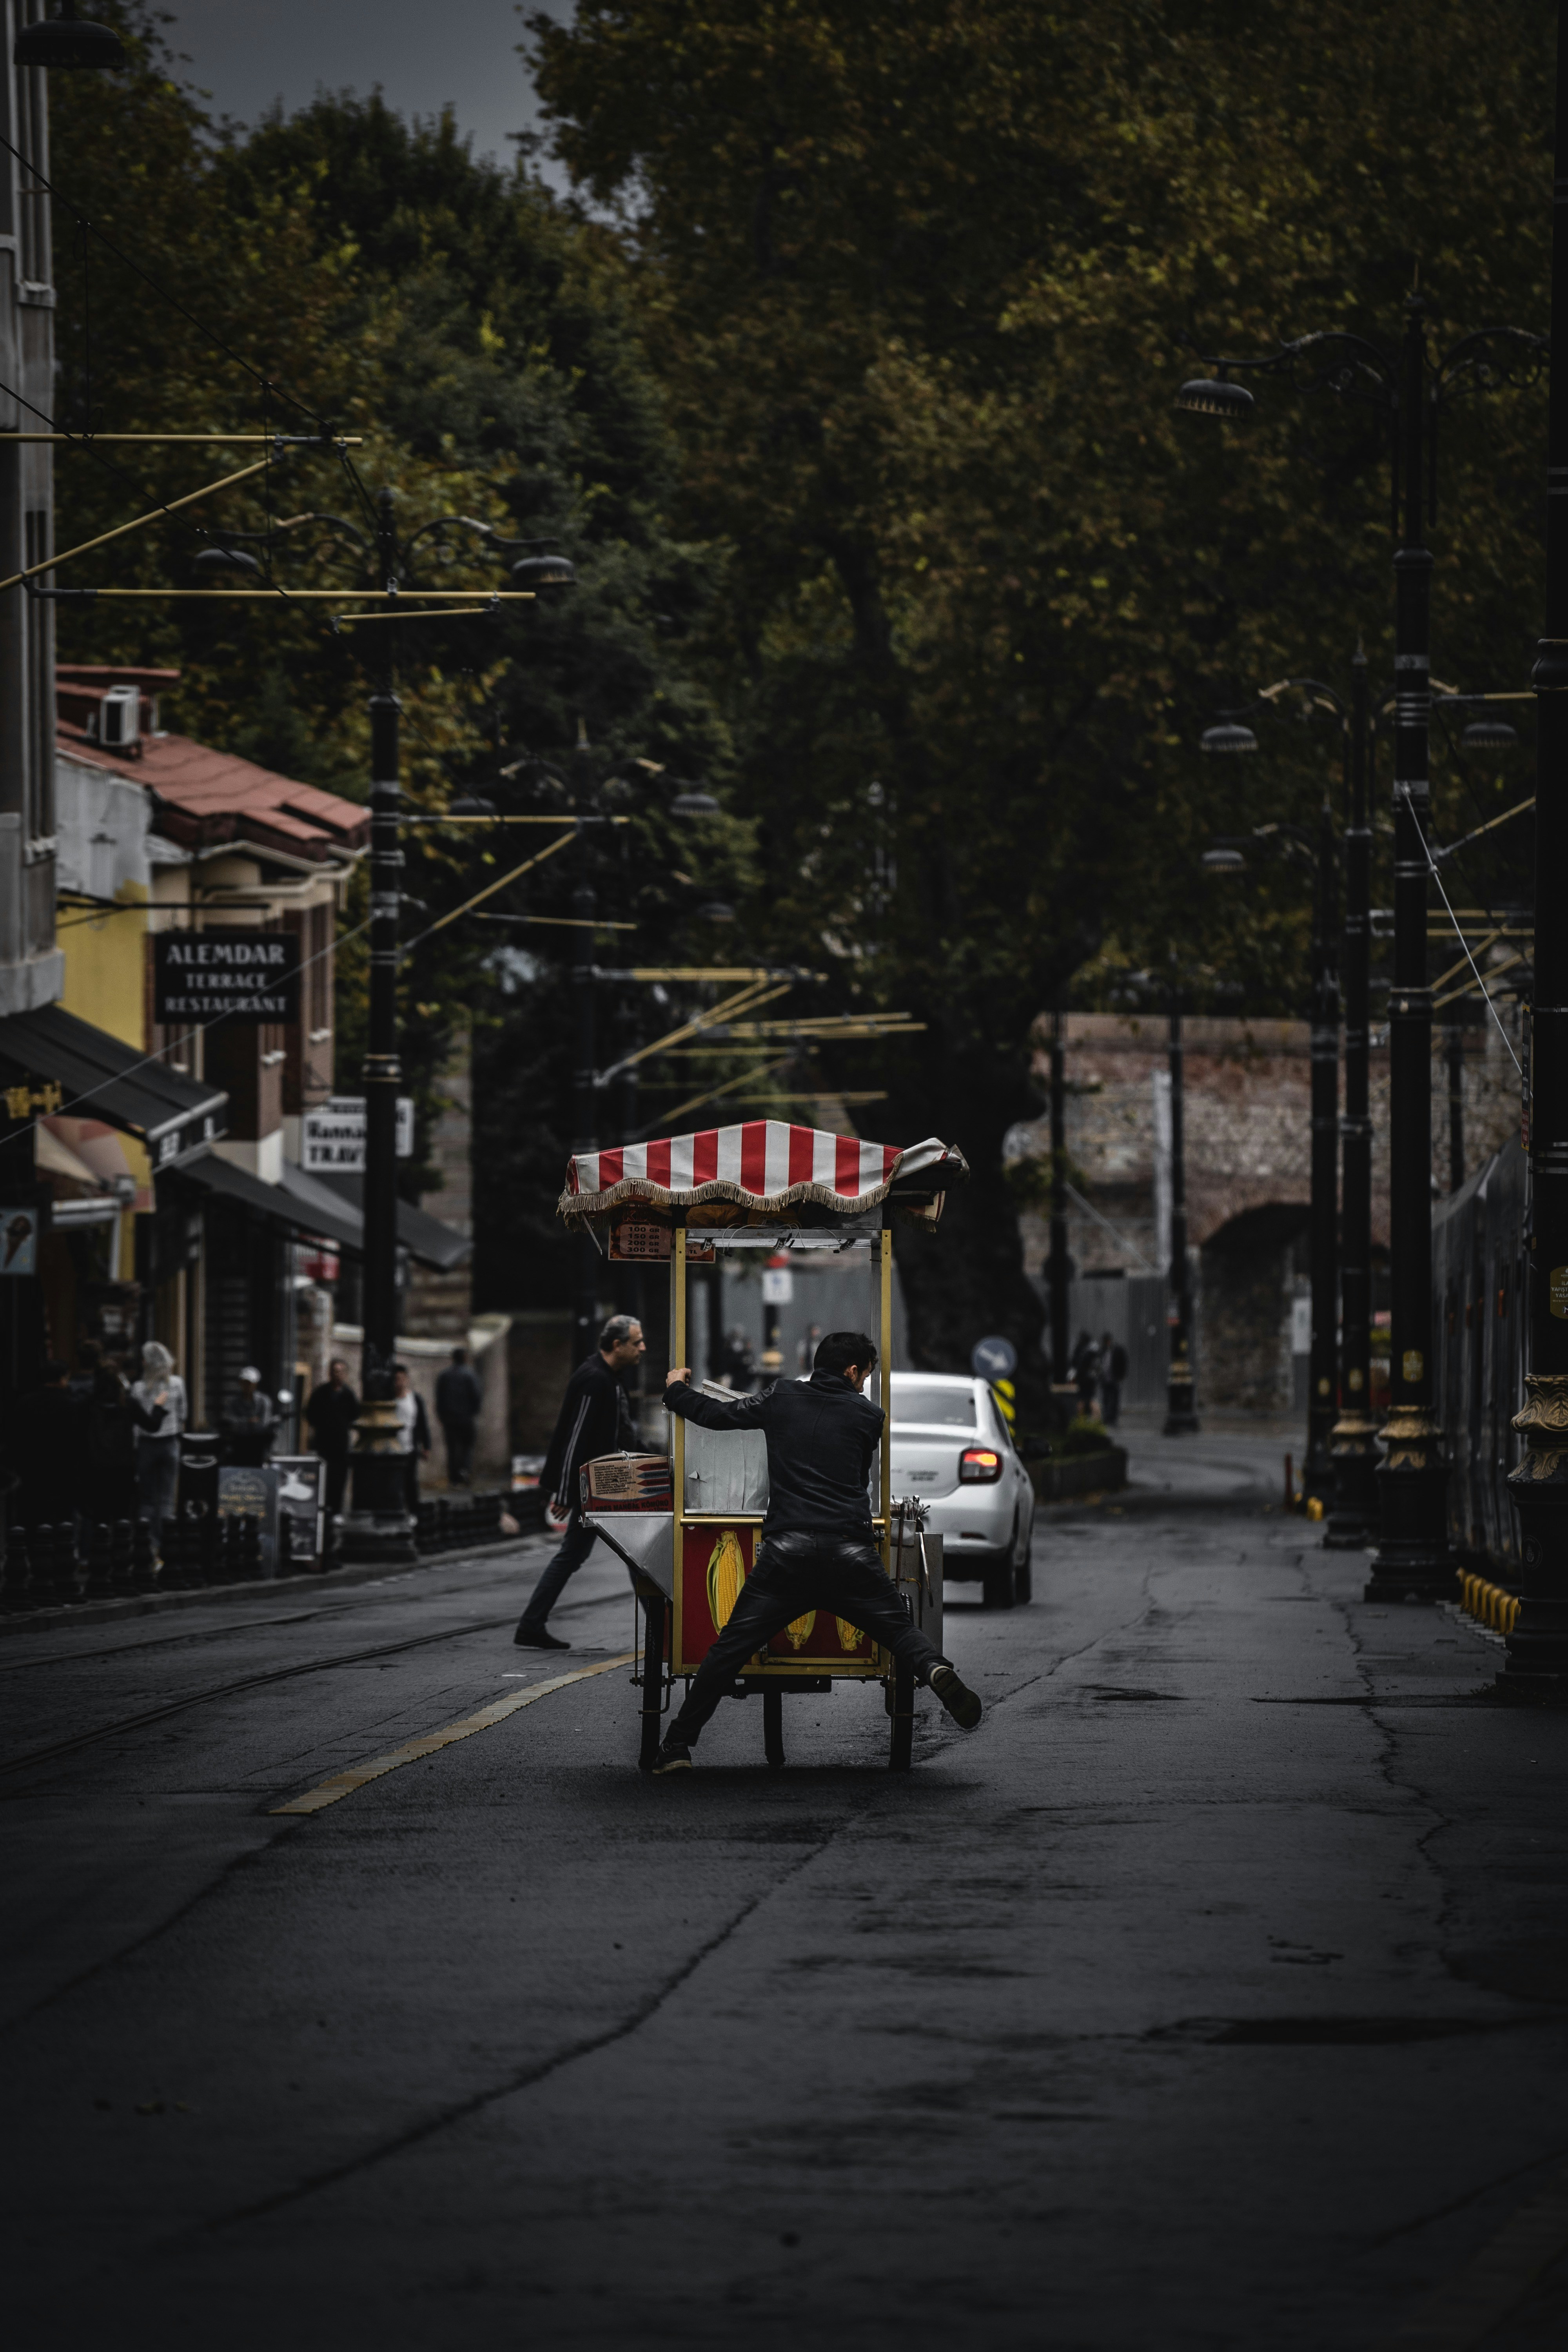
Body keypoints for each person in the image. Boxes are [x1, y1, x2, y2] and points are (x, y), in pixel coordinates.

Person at [650, 1330, 982, 1774]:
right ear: (851, 1371)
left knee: (728, 1652)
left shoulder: (781, 1397)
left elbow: (716, 1415)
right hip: (849, 1551)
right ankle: (935, 1669)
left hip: (787, 1553)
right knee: (899, 1631)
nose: (864, 1384)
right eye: (865, 1375)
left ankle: (676, 1747)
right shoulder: (869, 1417)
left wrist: (675, 1389)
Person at [514, 1313, 646, 1650]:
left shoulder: (610, 1378)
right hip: (598, 1489)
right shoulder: (595, 1379)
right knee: (636, 1554)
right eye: (637, 1342)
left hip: (608, 1484)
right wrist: (566, 1492)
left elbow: (622, 1433)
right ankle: (664, 1631)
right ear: (618, 1345)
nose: (643, 1348)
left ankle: (531, 1623)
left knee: (592, 1555)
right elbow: (575, 1437)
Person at [7, 1359, 80, 1536]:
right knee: (60, 1520)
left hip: (31, 1469)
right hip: (62, 1470)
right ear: (63, 1379)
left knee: (32, 1517)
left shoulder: (25, 1403)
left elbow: (15, 1437)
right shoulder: (71, 1405)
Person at [130, 1341, 186, 1546]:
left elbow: (135, 1423)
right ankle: (166, 1543)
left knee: (146, 1499)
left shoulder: (138, 1388)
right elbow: (184, 1414)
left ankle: (146, 1543)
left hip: (146, 1444)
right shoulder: (177, 1384)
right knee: (167, 1498)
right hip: (170, 1442)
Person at [84, 1356, 143, 1529]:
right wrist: (159, 1408)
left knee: (99, 1514)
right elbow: (152, 1425)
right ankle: (120, 1552)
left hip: (97, 1466)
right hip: (123, 1466)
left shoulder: (88, 1405)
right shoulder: (128, 1404)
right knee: (122, 1514)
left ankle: (97, 1551)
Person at [305, 1357, 361, 1518]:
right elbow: (310, 1414)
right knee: (324, 1478)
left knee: (339, 1479)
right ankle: (323, 1510)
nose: (338, 1375)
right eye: (335, 1371)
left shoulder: (349, 1395)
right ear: (330, 1373)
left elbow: (355, 1416)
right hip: (323, 1443)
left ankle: (337, 1511)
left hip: (341, 1444)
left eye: (341, 1372)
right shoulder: (320, 1393)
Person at [435, 1345, 483, 1487]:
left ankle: (453, 1478)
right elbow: (477, 1396)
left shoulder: (444, 1375)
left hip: (449, 1419)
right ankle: (464, 1473)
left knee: (452, 1448)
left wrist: (442, 1416)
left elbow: (439, 1398)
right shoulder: (470, 1375)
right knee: (467, 1447)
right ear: (465, 1358)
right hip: (466, 1418)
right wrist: (473, 1413)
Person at [392, 1363, 432, 1515]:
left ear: (407, 1379)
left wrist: (426, 1446)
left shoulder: (415, 1399)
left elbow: (422, 1423)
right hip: (394, 1449)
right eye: (396, 1379)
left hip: (410, 1447)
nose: (399, 1382)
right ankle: (398, 1511)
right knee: (396, 1483)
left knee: (411, 1482)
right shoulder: (389, 1400)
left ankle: (414, 1512)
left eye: (402, 1379)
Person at [223, 1366, 276, 1466]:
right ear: (241, 1383)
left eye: (250, 1383)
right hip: (239, 1444)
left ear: (255, 1384)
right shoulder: (233, 1402)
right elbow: (230, 1422)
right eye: (245, 1383)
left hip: (258, 1445)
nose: (247, 1386)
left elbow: (264, 1424)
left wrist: (242, 1423)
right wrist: (248, 1422)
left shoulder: (264, 1401)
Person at [1099, 1331, 1128, 1428]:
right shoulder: (1103, 1351)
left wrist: (1121, 1376)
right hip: (1106, 1380)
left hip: (1114, 1379)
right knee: (1106, 1399)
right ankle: (1107, 1418)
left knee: (1115, 1399)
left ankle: (1113, 1419)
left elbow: (1123, 1363)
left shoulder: (1118, 1350)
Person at [1070, 1330, 1100, 1417]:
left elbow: (1075, 1363)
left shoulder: (1082, 1350)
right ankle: (1093, 1419)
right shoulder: (1093, 1350)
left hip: (1084, 1379)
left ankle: (1082, 1419)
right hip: (1090, 1379)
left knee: (1083, 1399)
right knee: (1089, 1399)